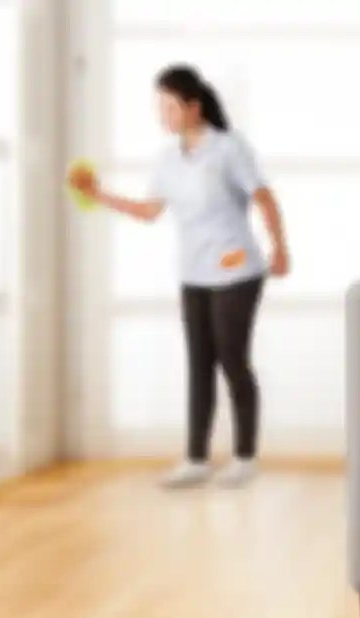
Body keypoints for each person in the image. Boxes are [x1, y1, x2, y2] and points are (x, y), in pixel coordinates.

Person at [68, 65, 290, 488]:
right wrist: (96, 194)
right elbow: (150, 212)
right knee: (198, 365)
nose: (163, 115)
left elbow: (264, 197)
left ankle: (245, 457)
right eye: (159, 107)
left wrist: (280, 248)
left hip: (237, 269)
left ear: (194, 106)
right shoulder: (167, 159)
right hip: (193, 273)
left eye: (170, 106)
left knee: (232, 360)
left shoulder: (228, 148)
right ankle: (196, 459)